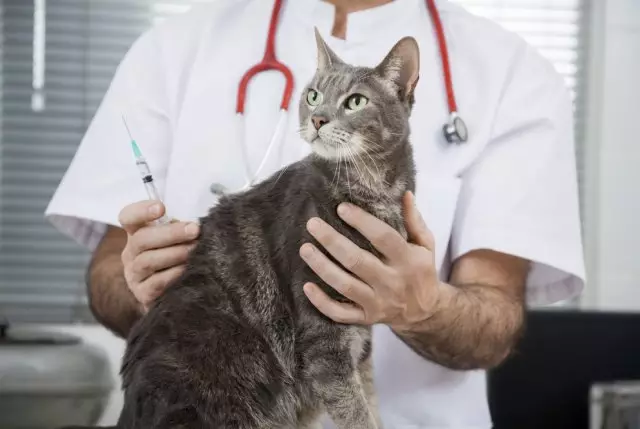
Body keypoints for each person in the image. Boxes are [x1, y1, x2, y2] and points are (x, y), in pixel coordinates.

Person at [45, 0, 586, 427]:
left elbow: (493, 322)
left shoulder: (515, 73)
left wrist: (424, 307)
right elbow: (108, 278)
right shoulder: (171, 48)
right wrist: (139, 281)